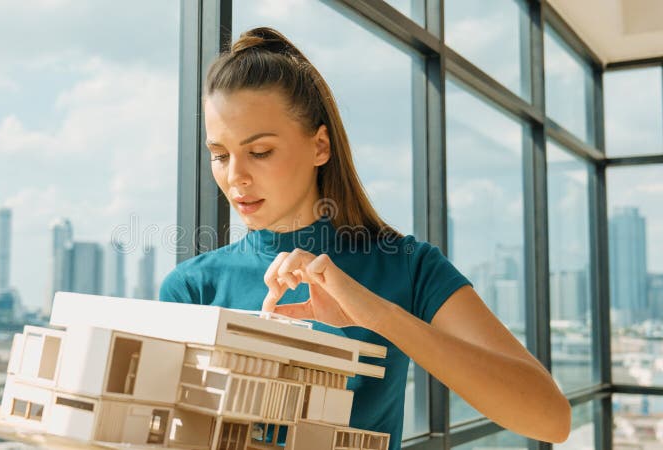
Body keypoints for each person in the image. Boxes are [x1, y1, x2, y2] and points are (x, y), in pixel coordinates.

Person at [159, 26, 570, 448]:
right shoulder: (192, 288)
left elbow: (550, 419)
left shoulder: (408, 266)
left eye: (260, 152)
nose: (235, 177)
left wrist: (377, 316)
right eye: (220, 155)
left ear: (320, 146)